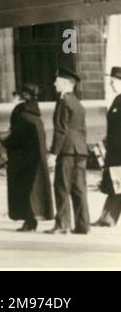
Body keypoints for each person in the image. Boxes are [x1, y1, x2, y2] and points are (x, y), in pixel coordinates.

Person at [0, 82, 53, 231]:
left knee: (22, 188)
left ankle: (28, 221)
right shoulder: (36, 112)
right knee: (33, 188)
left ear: (23, 95)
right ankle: (33, 218)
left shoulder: (19, 111)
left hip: (21, 157)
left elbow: (15, 134)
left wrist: (3, 140)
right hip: (35, 156)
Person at [50, 66, 90, 234]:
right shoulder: (78, 103)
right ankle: (83, 225)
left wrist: (53, 153)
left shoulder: (63, 101)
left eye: (57, 81)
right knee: (79, 188)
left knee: (61, 186)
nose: (54, 84)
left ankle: (63, 224)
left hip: (66, 150)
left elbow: (61, 130)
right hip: (80, 151)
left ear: (67, 83)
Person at [94, 65, 121, 228]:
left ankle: (108, 218)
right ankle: (106, 217)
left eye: (113, 81)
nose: (111, 85)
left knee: (117, 184)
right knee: (115, 184)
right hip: (115, 152)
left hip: (119, 153)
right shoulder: (118, 100)